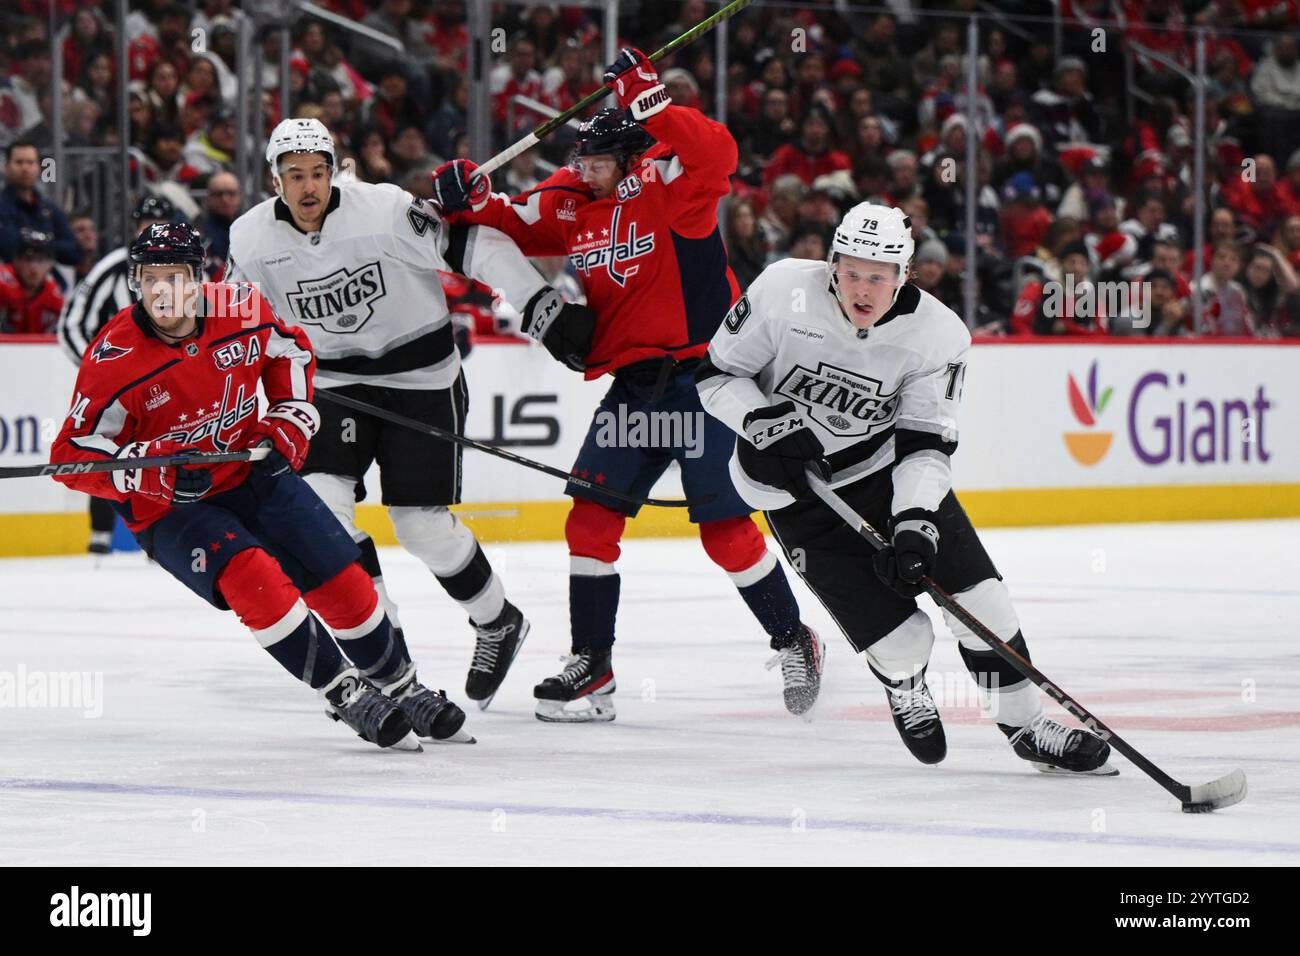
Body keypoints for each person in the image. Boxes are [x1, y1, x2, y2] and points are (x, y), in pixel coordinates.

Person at [433, 48, 820, 724]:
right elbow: (504, 224)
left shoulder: (672, 191)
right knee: (589, 519)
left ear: (635, 157)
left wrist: (656, 102)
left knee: (727, 533)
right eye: (579, 162)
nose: (584, 173)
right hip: (634, 390)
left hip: (706, 381)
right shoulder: (574, 204)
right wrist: (464, 193)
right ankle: (594, 667)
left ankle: (794, 640)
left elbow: (718, 155)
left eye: (597, 164)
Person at [694, 202, 1114, 774]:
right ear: (832, 264)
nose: (863, 289)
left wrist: (915, 522)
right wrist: (763, 423)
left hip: (890, 476)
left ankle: (1025, 725)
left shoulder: (939, 335)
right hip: (801, 498)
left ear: (905, 274)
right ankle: (904, 683)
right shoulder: (781, 291)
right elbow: (717, 376)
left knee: (981, 605)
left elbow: (924, 446)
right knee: (901, 643)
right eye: (852, 272)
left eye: (879, 275)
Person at [49, 222, 469, 750]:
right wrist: (152, 466)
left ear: (198, 279)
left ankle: (402, 685)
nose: (161, 292)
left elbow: (290, 354)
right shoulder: (114, 359)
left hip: (251, 472)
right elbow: (71, 455)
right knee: (255, 578)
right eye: (149, 279)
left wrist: (290, 420)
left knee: (344, 577)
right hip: (173, 508)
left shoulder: (240, 310)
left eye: (174, 278)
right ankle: (344, 692)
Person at [227, 118, 578, 709]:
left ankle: (497, 621)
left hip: (421, 379)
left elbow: (474, 245)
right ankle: (385, 654)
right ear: (274, 181)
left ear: (335, 170)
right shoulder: (250, 239)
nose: (308, 187)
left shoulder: (385, 210)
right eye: (294, 177)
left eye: (317, 173)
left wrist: (539, 303)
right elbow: (233, 324)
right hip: (335, 385)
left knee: (420, 526)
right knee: (322, 514)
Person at [57, 194, 179, 554]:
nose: (151, 232)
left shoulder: (185, 270)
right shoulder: (112, 267)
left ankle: (168, 535)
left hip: (167, 383)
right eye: (145, 224)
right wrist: (100, 374)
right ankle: (100, 535)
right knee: (102, 447)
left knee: (164, 452)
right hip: (117, 386)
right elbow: (72, 323)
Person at [0, 228, 63, 334]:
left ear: (50, 265)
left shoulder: (54, 295)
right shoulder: (2, 283)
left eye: (41, 260)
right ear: (16, 261)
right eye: (28, 259)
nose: (34, 267)